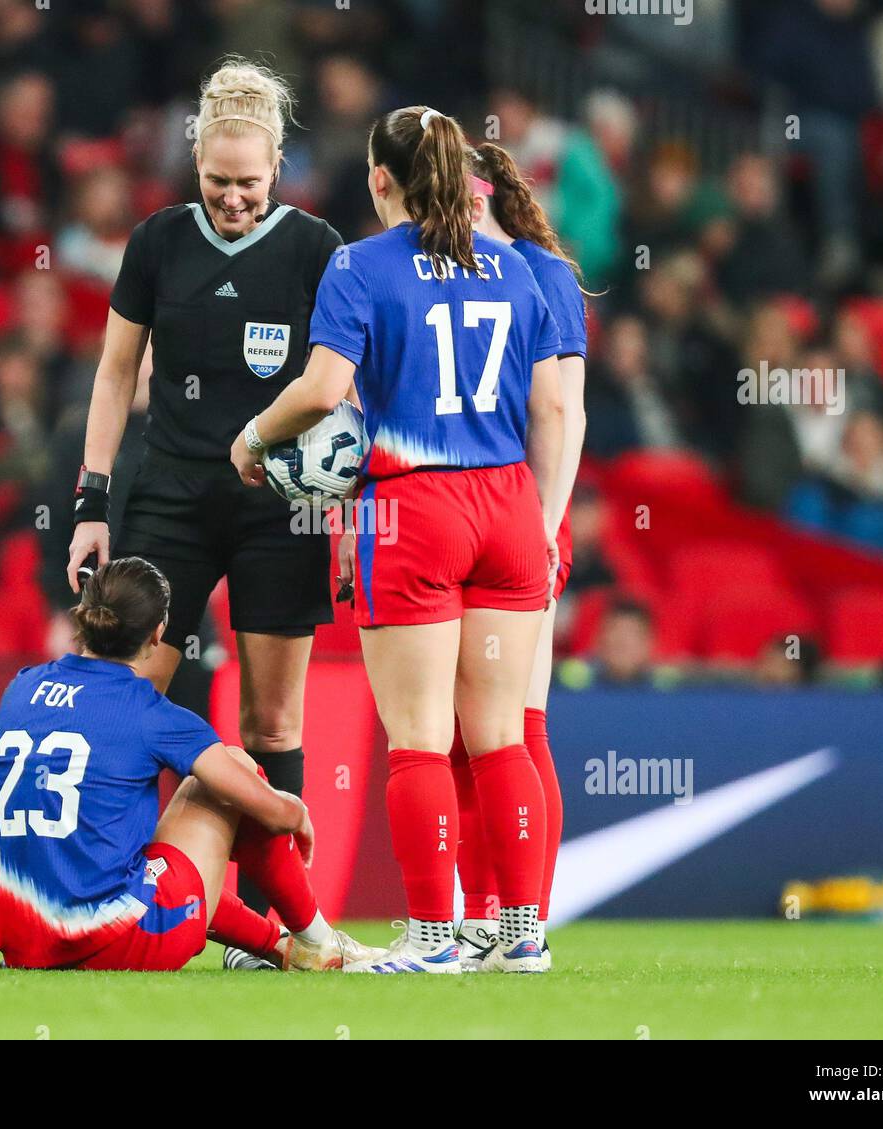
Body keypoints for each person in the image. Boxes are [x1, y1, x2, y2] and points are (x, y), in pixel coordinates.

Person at [230, 107, 572, 973]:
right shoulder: (518, 270)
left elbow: (321, 389)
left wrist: (253, 438)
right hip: (507, 503)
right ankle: (522, 935)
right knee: (500, 734)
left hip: (414, 508)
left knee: (419, 736)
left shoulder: (360, 265)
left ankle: (431, 938)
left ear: (381, 181)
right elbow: (548, 406)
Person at [65, 59, 343, 940]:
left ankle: (274, 932)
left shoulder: (315, 249)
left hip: (278, 506)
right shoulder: (156, 241)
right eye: (218, 182)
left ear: (277, 167)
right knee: (133, 701)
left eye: (249, 183)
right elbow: (115, 373)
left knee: (272, 719)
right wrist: (91, 499)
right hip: (172, 496)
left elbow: (343, 382)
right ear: (196, 167)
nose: (232, 198)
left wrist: (346, 493)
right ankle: (114, 897)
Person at [0, 556, 380, 972]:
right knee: (235, 768)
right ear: (158, 633)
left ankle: (278, 946)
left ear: (83, 618)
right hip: (122, 940)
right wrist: (296, 812)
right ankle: (318, 942)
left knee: (143, 866)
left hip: (23, 941)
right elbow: (272, 812)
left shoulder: (20, 687)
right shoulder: (149, 712)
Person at [447, 143, 587, 971]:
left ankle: (522, 923)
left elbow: (562, 412)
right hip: (458, 514)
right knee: (466, 738)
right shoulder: (442, 272)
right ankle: (482, 919)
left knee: (515, 726)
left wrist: (546, 522)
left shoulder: (541, 272)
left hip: (522, 519)